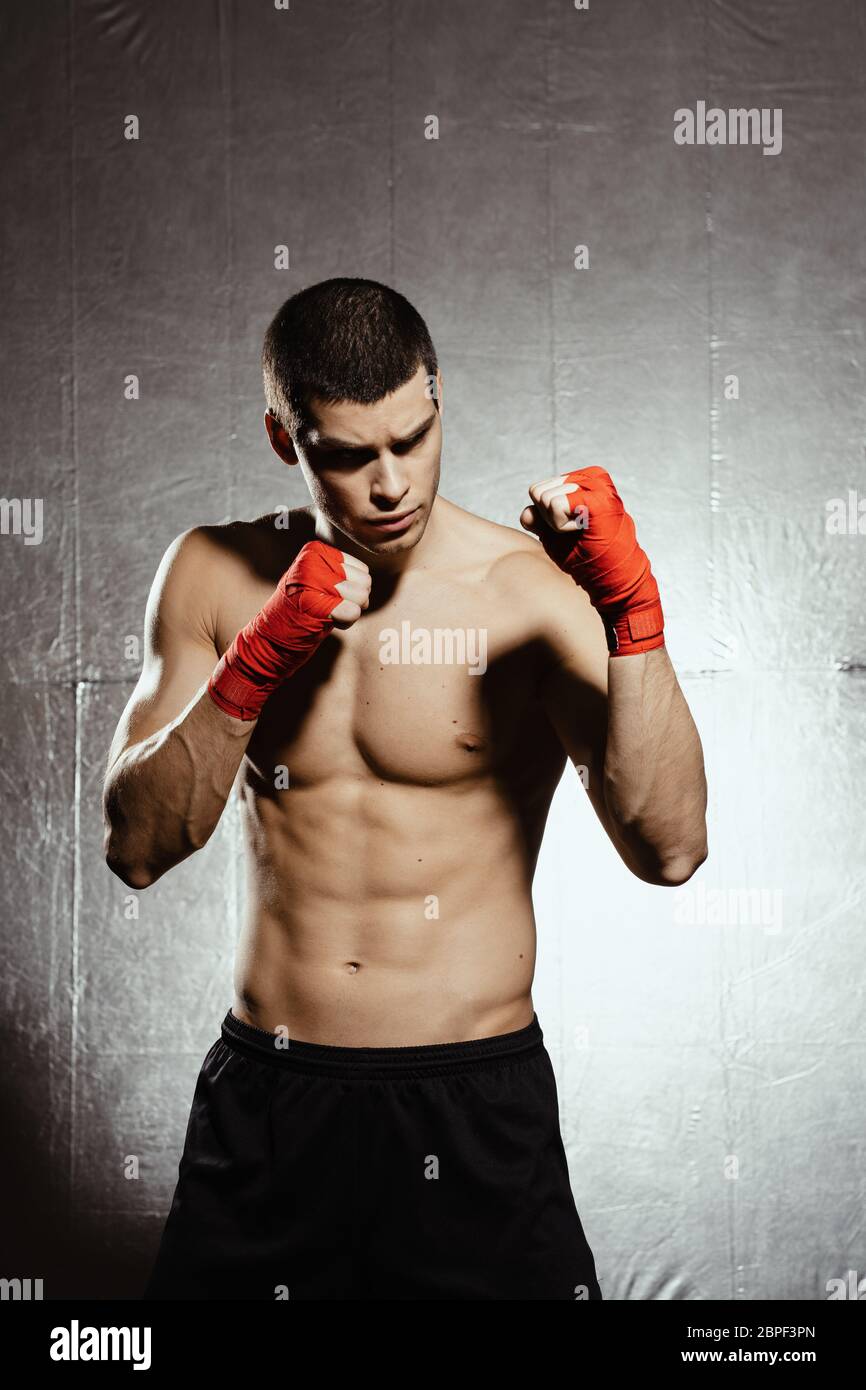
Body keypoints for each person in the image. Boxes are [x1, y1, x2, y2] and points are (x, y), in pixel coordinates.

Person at [103, 277, 708, 1301]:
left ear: (436, 398)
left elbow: (669, 849)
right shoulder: (213, 571)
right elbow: (138, 846)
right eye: (347, 454)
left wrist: (632, 619)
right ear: (281, 438)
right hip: (272, 1103)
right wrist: (249, 668)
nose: (390, 483)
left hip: (473, 1106)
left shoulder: (529, 590)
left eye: (412, 439)